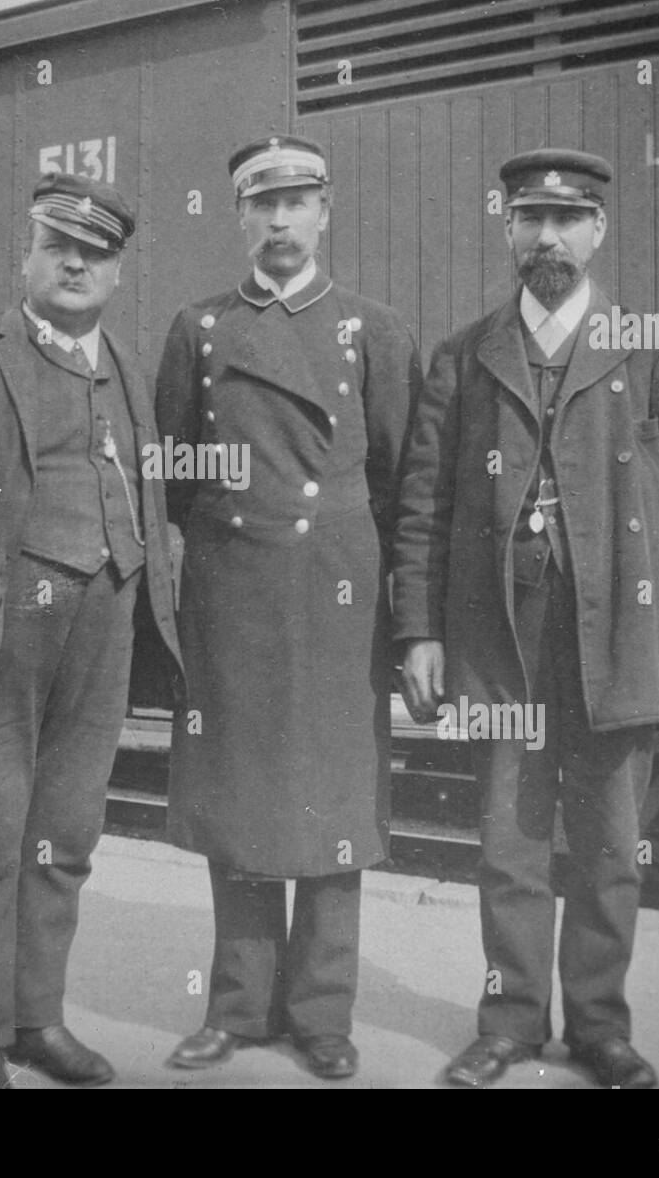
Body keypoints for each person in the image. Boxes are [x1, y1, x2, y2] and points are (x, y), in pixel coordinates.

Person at [392, 148, 659, 1089]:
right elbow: (423, 505)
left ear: (598, 232)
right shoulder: (465, 356)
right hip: (506, 642)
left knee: (611, 843)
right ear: (505, 228)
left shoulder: (650, 349)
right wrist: (417, 630)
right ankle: (506, 1021)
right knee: (508, 840)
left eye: (568, 218)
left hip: (616, 637)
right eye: (530, 218)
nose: (549, 236)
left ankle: (600, 1027)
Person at [156, 135, 420, 1081]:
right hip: (233, 595)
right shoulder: (202, 330)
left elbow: (401, 481)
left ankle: (321, 1014)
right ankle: (235, 1006)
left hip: (337, 600)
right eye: (261, 205)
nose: (278, 222)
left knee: (334, 807)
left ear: (324, 210)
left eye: (296, 202)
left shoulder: (372, 331)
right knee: (239, 800)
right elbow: (175, 472)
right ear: (239, 216)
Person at [0, 172, 183, 1089]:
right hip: (10, 619)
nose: (77, 264)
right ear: (30, 253)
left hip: (108, 612)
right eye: (60, 247)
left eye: (96, 253)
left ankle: (36, 1018)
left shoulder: (125, 363)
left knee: (67, 832)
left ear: (116, 272)